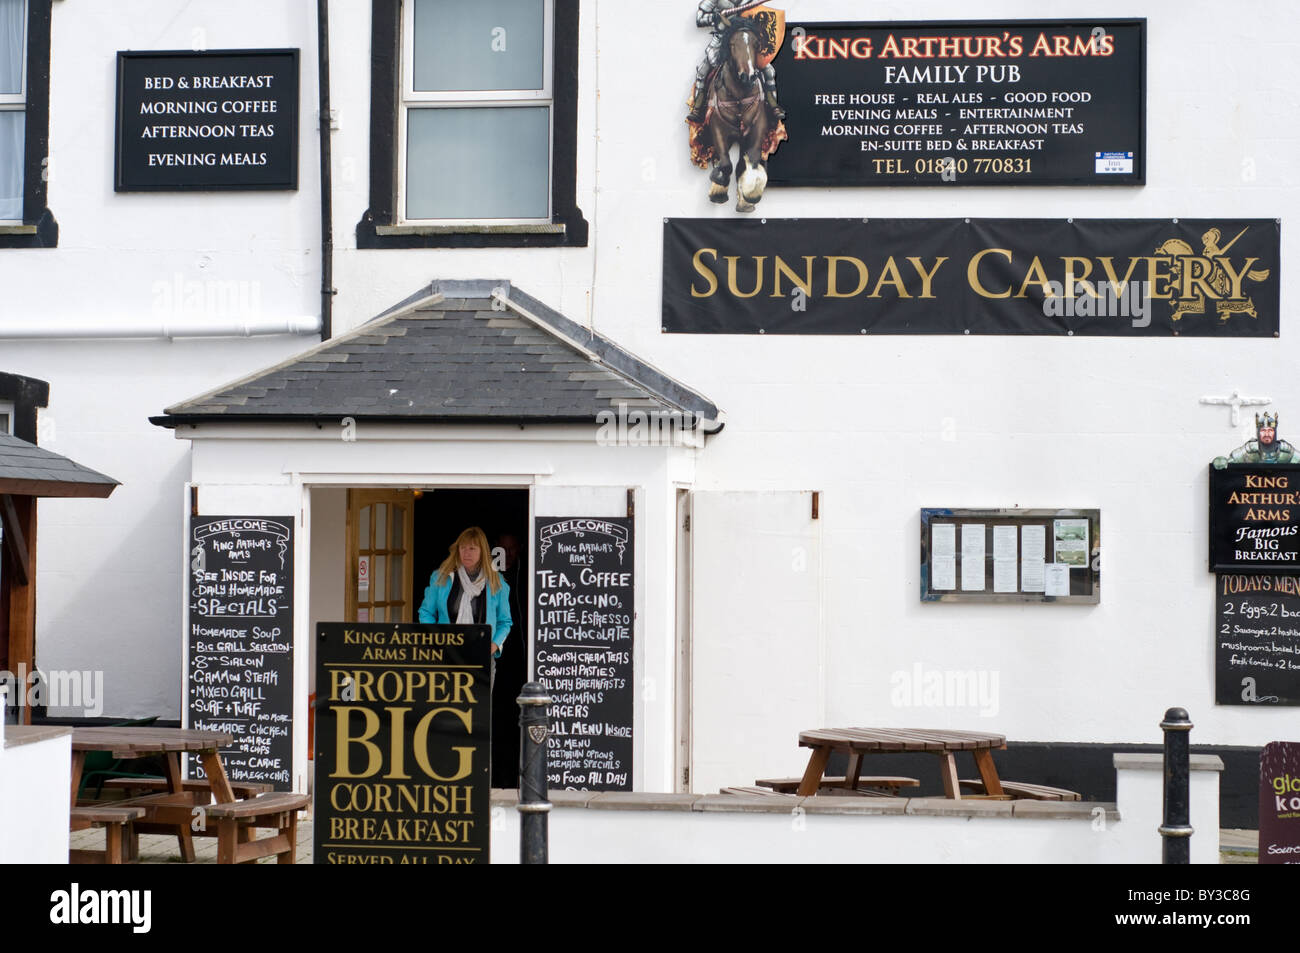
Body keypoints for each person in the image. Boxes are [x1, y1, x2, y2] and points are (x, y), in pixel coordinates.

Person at [417, 526, 512, 659]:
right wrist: (436, 640)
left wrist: (493, 646)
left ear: (482, 551)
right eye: (463, 548)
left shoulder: (497, 581)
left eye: (472, 548)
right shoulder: (441, 577)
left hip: (482, 655)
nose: (466, 553)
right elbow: (426, 612)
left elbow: (504, 622)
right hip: (446, 654)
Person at [687, 0, 784, 124]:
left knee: (768, 70)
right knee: (702, 71)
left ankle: (773, 106)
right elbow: (699, 19)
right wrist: (715, 17)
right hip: (722, 39)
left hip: (746, 40)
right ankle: (698, 108)